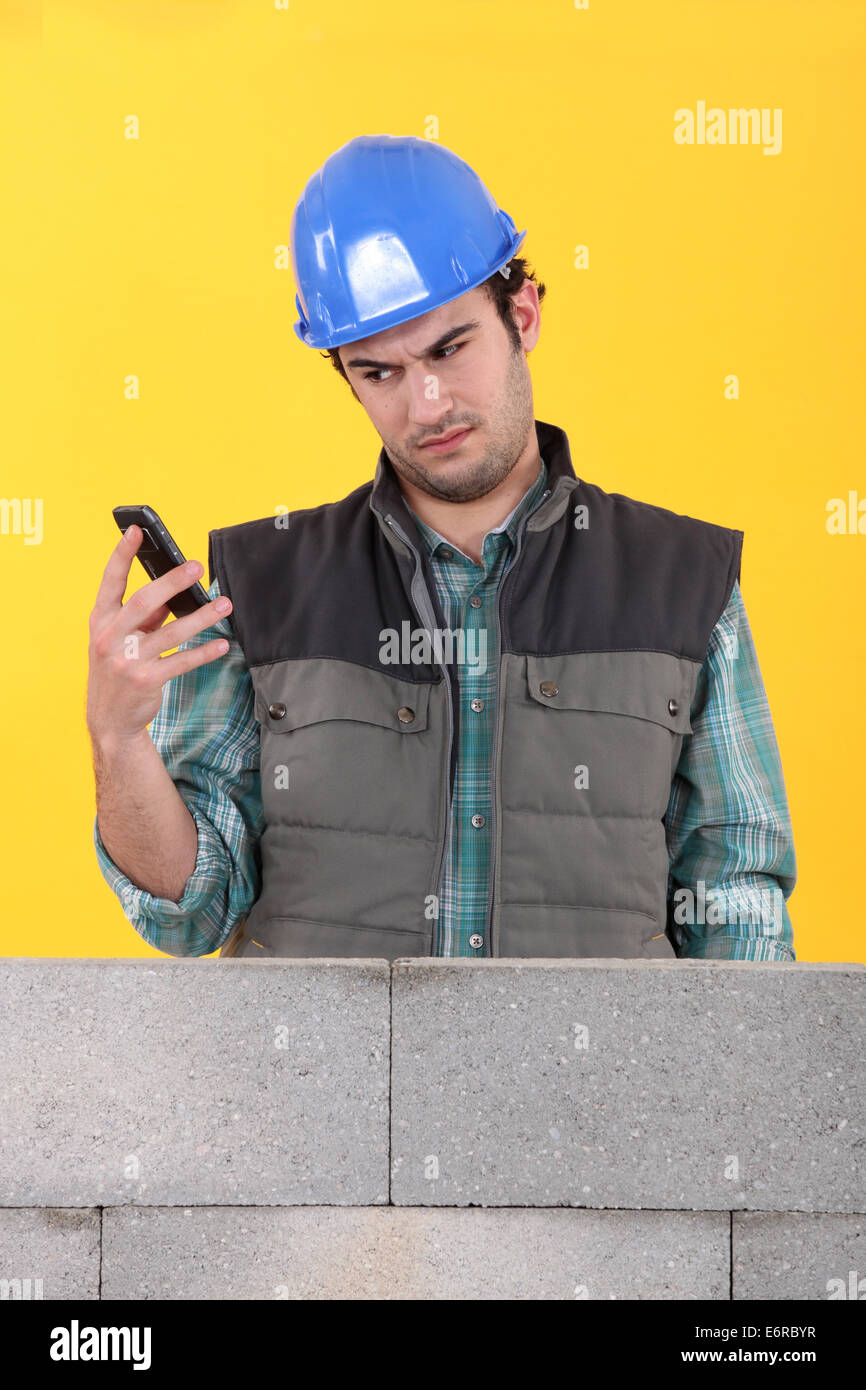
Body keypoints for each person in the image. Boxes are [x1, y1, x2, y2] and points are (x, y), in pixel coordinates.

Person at [87, 134, 796, 962]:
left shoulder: (683, 584)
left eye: (449, 348)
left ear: (522, 313)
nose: (427, 404)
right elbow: (190, 913)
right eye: (377, 372)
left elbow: (738, 907)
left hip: (591, 1094)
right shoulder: (258, 590)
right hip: (319, 1094)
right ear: (345, 375)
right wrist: (118, 743)